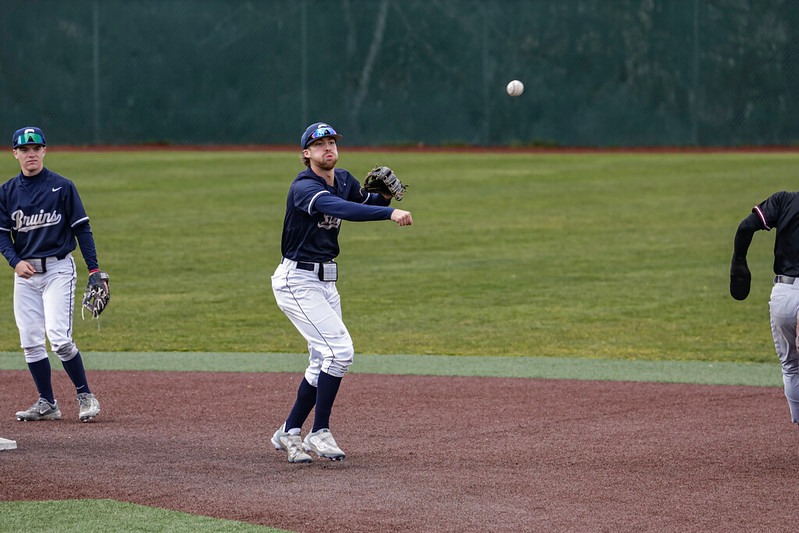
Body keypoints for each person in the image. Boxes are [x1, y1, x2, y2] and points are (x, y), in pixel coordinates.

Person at [270, 122, 413, 462]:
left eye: (332, 142)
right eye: (320, 144)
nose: (328, 148)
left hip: (325, 283)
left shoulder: (344, 179)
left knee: (323, 359)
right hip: (297, 282)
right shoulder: (304, 186)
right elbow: (342, 209)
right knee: (340, 352)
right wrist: (389, 212)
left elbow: (365, 200)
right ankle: (319, 431)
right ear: (307, 154)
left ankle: (289, 431)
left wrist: (384, 197)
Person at [0, 127, 105, 422]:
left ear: (44, 151)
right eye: (24, 149)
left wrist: (94, 269)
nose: (31, 154)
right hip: (25, 275)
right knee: (30, 341)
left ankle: (85, 395)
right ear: (15, 154)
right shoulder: (6, 192)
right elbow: (2, 235)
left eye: (36, 148)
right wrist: (14, 262)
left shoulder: (62, 187)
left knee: (59, 338)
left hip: (58, 269)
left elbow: (82, 229)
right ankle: (47, 402)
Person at [731, 191, 799, 431]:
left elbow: (745, 227)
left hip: (784, 294)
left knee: (791, 366)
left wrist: (739, 261)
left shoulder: (784, 200)